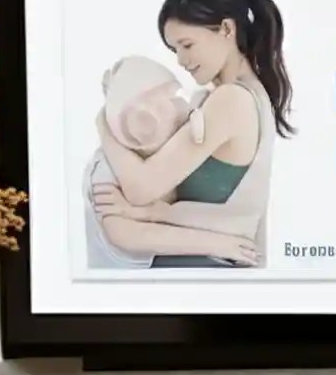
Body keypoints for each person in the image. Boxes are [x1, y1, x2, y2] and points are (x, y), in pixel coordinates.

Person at [91, 0, 294, 267]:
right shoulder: (243, 94)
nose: (181, 60)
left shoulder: (230, 100)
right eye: (175, 50)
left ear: (226, 28)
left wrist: (104, 124)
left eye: (187, 45)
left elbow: (140, 190)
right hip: (204, 264)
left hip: (202, 268)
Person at [86, 55, 260, 267]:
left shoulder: (173, 137)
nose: (182, 120)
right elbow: (130, 235)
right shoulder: (107, 166)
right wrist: (219, 244)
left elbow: (193, 122)